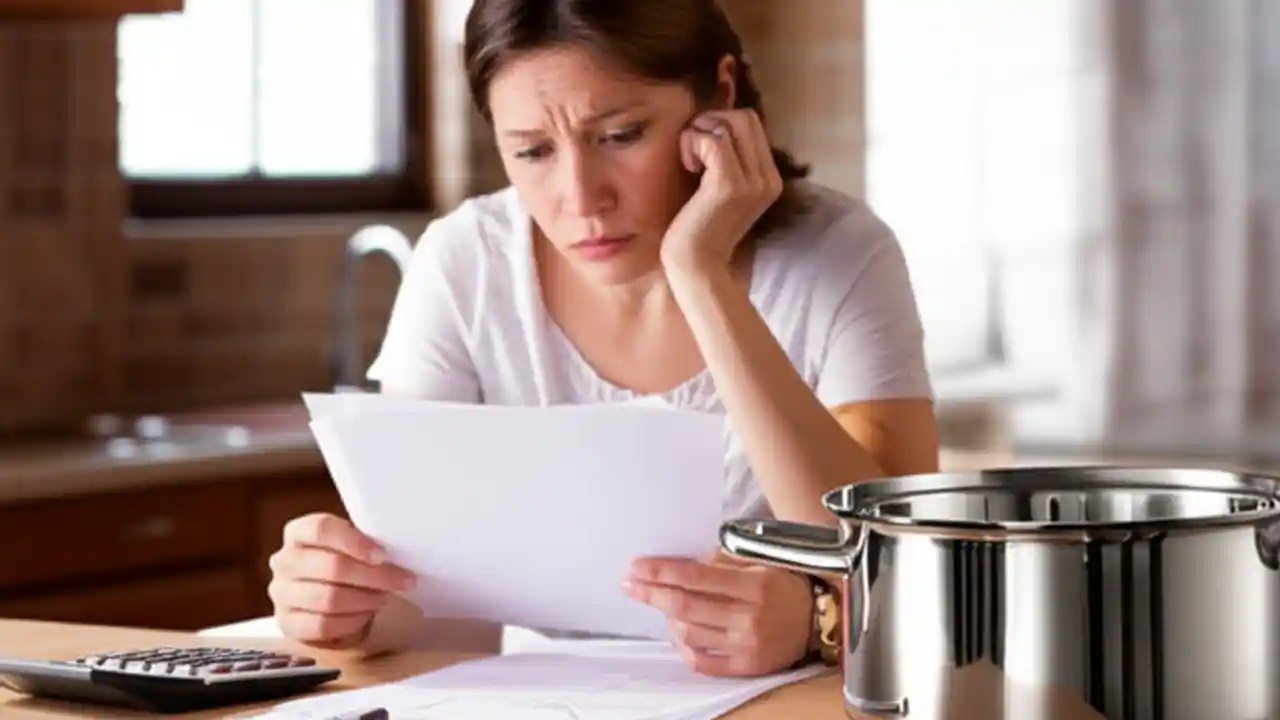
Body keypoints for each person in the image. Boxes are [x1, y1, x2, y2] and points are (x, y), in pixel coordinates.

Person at [267, 0, 940, 678]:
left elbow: (904, 571)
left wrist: (700, 271)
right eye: (532, 151)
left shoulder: (841, 255)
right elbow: (427, 596)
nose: (582, 198)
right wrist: (348, 604)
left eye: (621, 135)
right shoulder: (464, 263)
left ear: (719, 96)